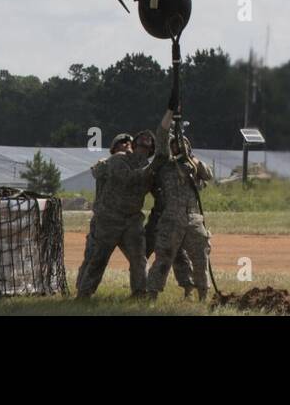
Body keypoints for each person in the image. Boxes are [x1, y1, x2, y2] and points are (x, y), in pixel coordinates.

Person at [75, 111, 171, 298]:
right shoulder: (118, 160)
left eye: (149, 139)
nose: (145, 139)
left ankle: (139, 293)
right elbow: (128, 178)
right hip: (108, 218)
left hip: (132, 220)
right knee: (98, 258)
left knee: (139, 259)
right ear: (134, 145)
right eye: (141, 138)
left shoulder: (151, 170)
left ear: (152, 149)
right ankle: (84, 293)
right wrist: (152, 169)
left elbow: (158, 191)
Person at [145, 125, 213, 300]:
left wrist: (193, 160)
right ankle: (152, 293)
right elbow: (160, 147)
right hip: (170, 218)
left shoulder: (194, 166)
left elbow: (208, 176)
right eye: (175, 145)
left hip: (193, 219)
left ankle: (202, 294)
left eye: (182, 144)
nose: (178, 147)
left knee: (200, 258)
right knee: (163, 258)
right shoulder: (166, 166)